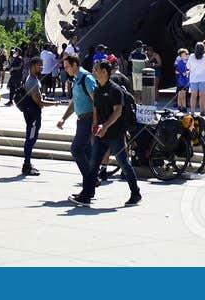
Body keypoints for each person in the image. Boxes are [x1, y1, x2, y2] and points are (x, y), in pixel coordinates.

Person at [73, 60, 140, 207]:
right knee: (93, 165)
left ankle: (136, 193)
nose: (93, 71)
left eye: (96, 69)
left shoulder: (115, 90)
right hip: (101, 136)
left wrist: (105, 126)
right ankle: (86, 195)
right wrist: (96, 125)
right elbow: (96, 108)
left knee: (124, 164)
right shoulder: (97, 90)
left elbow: (118, 111)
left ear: (105, 72)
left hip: (115, 135)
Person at [56, 52, 97, 196]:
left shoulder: (87, 78)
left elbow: (96, 101)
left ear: (75, 65)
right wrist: (64, 118)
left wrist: (96, 122)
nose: (65, 69)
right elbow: (75, 102)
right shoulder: (76, 79)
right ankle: (89, 188)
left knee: (76, 150)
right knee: (86, 152)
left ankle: (91, 182)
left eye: (67, 66)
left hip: (88, 120)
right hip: (81, 120)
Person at [16, 55, 61, 176]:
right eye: (38, 65)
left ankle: (28, 163)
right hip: (33, 114)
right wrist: (56, 103)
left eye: (42, 65)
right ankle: (26, 165)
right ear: (32, 66)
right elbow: (39, 102)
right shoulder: (32, 81)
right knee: (30, 139)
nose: (41, 67)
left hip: (32, 112)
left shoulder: (33, 79)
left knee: (31, 138)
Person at [185, 42, 205, 115]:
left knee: (193, 95)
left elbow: (187, 66)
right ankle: (202, 111)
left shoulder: (191, 56)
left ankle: (192, 111)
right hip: (204, 78)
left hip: (194, 78)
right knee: (202, 95)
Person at [173, 46, 190, 111]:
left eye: (185, 55)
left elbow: (177, 71)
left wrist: (186, 72)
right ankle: (182, 106)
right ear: (180, 56)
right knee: (182, 94)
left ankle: (181, 106)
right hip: (182, 80)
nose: (185, 56)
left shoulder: (185, 62)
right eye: (183, 55)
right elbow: (179, 72)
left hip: (183, 80)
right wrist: (186, 72)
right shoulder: (181, 63)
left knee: (182, 93)